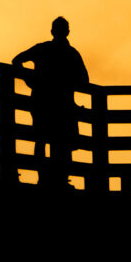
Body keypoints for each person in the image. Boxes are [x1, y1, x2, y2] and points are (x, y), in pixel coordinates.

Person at [12, 16, 89, 189]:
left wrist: (30, 80)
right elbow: (84, 80)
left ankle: (43, 179)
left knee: (42, 140)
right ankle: (60, 180)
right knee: (61, 144)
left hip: (41, 102)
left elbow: (16, 60)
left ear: (52, 31)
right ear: (68, 32)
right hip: (63, 105)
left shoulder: (43, 49)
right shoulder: (72, 54)